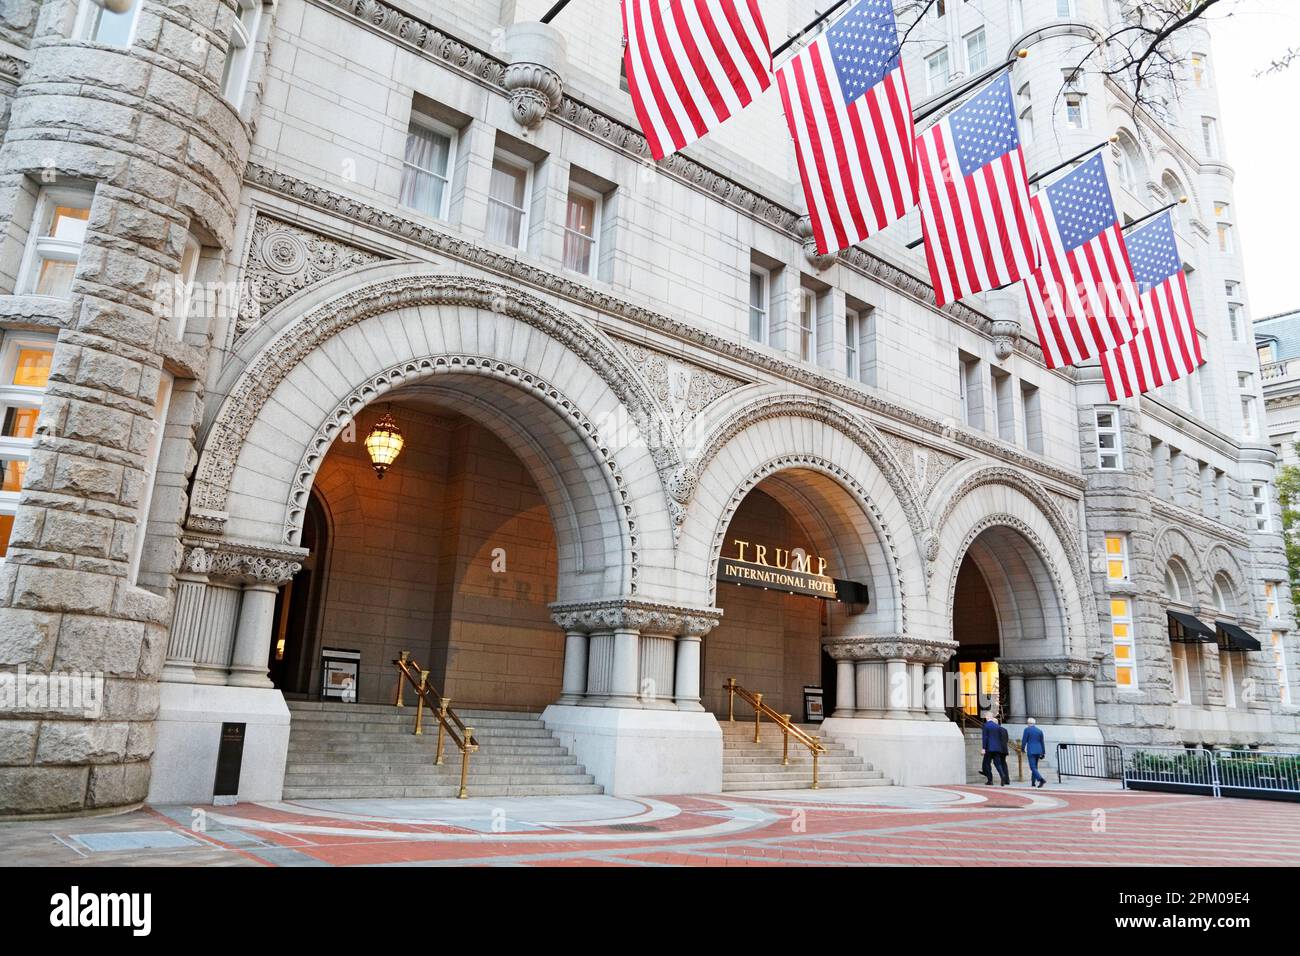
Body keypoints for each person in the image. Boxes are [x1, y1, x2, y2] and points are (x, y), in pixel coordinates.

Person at [980, 713, 1010, 785]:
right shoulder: (998, 727)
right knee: (998, 763)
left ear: (987, 717)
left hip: (989, 748)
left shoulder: (986, 725)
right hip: (998, 748)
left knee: (987, 764)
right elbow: (1001, 739)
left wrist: (983, 748)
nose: (985, 717)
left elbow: (985, 738)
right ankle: (1002, 775)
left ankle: (990, 780)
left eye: (986, 716)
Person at [1021, 717, 1047, 788]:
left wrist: (1022, 749)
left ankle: (1040, 779)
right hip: (1039, 750)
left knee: (1032, 767)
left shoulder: (1027, 730)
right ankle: (1033, 782)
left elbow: (1024, 740)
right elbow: (1042, 742)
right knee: (1035, 767)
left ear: (1029, 723)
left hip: (1031, 750)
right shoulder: (1039, 731)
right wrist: (1043, 752)